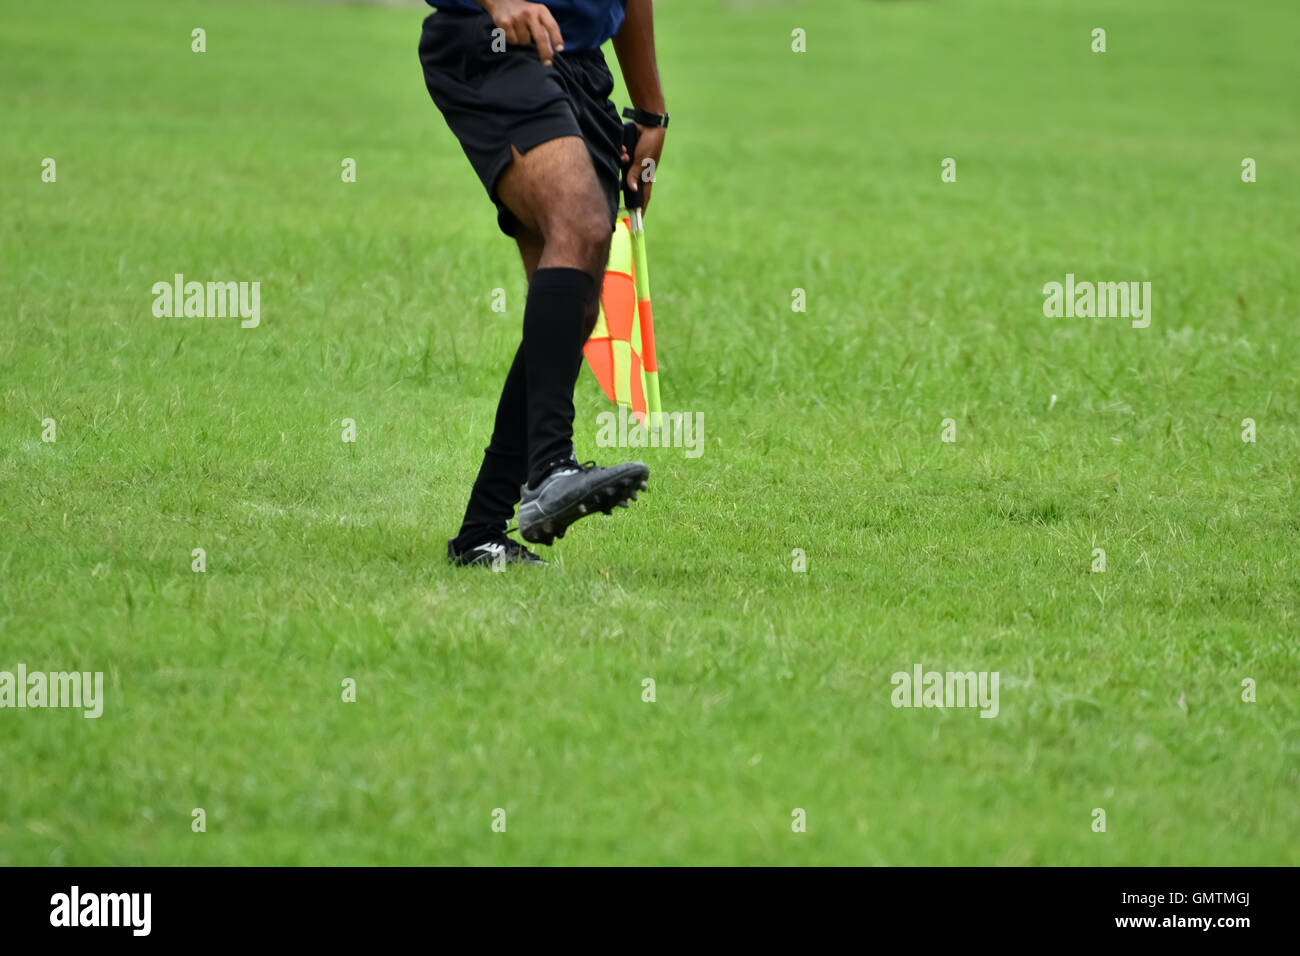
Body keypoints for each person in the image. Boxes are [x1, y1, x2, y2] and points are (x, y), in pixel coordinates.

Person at [418, 0, 669, 567]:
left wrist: (652, 113)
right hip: (495, 46)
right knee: (580, 225)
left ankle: (482, 532)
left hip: (578, 64)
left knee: (574, 298)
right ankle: (551, 469)